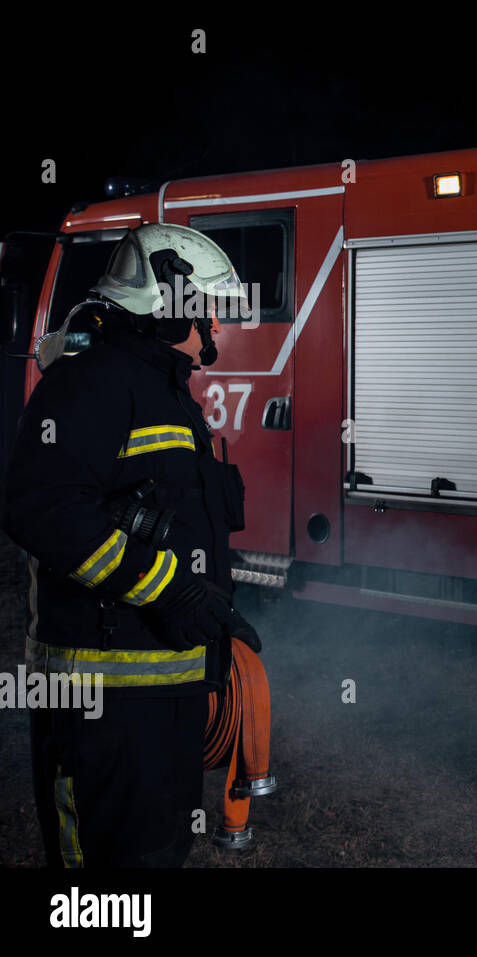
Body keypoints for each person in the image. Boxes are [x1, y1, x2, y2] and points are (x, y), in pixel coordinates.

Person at [4, 222, 258, 867]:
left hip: (161, 689)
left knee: (155, 856)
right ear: (171, 303)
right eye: (210, 308)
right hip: (100, 698)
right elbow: (45, 511)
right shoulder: (86, 384)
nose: (220, 326)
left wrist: (215, 620)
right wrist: (171, 590)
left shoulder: (167, 395)